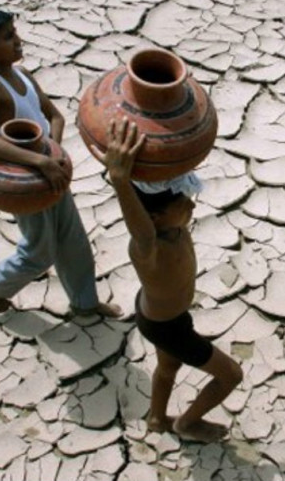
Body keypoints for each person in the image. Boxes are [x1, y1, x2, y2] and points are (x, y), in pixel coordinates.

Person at [0, 7, 120, 320]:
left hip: (50, 172)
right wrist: (40, 161)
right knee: (40, 251)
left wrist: (53, 154)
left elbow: (55, 116)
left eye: (15, 32)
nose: (18, 40)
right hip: (24, 182)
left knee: (74, 243)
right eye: (8, 37)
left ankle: (85, 304)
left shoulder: (22, 75)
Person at [102, 118, 243, 442]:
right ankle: (187, 424)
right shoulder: (150, 247)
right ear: (154, 217)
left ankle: (157, 419)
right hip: (167, 327)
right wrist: (120, 181)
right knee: (231, 375)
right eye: (184, 204)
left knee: (168, 368)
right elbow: (140, 230)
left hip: (162, 317)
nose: (192, 205)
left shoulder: (172, 225)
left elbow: (173, 175)